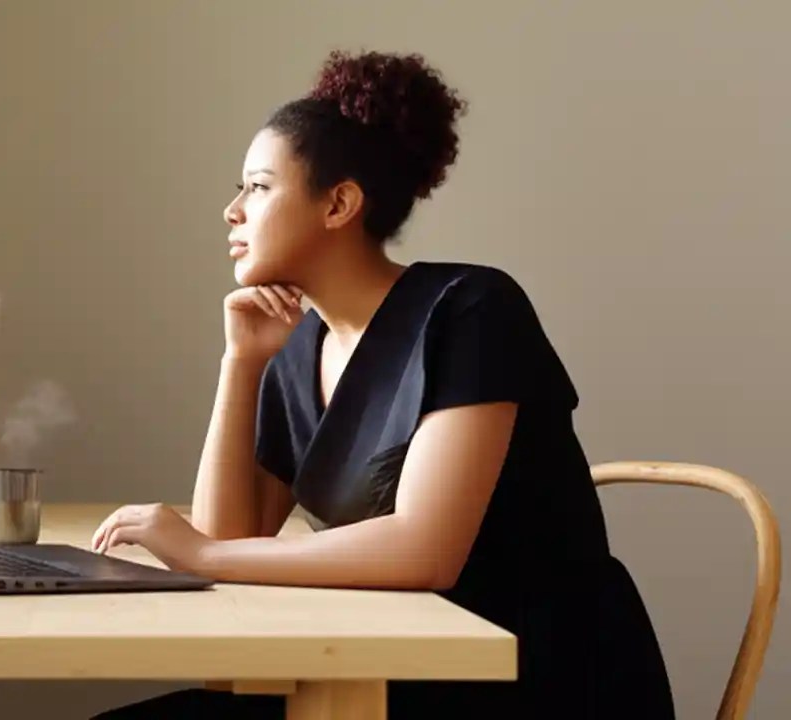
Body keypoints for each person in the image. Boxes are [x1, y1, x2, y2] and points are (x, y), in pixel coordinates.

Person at [88, 49, 675, 719]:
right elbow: (228, 536)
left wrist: (205, 551)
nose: (232, 211)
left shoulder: (472, 309)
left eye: (257, 187)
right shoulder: (298, 347)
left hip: (533, 677)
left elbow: (425, 551)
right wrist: (241, 363)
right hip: (388, 668)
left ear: (339, 203)